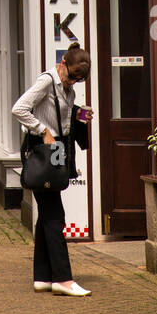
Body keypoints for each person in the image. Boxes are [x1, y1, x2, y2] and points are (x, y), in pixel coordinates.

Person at [12, 43, 93, 297]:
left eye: (77, 81)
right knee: (55, 216)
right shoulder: (46, 81)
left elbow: (60, 116)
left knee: (47, 214)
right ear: (62, 64)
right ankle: (63, 279)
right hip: (43, 151)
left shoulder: (65, 88)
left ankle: (43, 277)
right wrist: (42, 131)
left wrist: (79, 113)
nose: (71, 83)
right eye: (70, 77)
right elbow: (19, 109)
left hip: (56, 152)